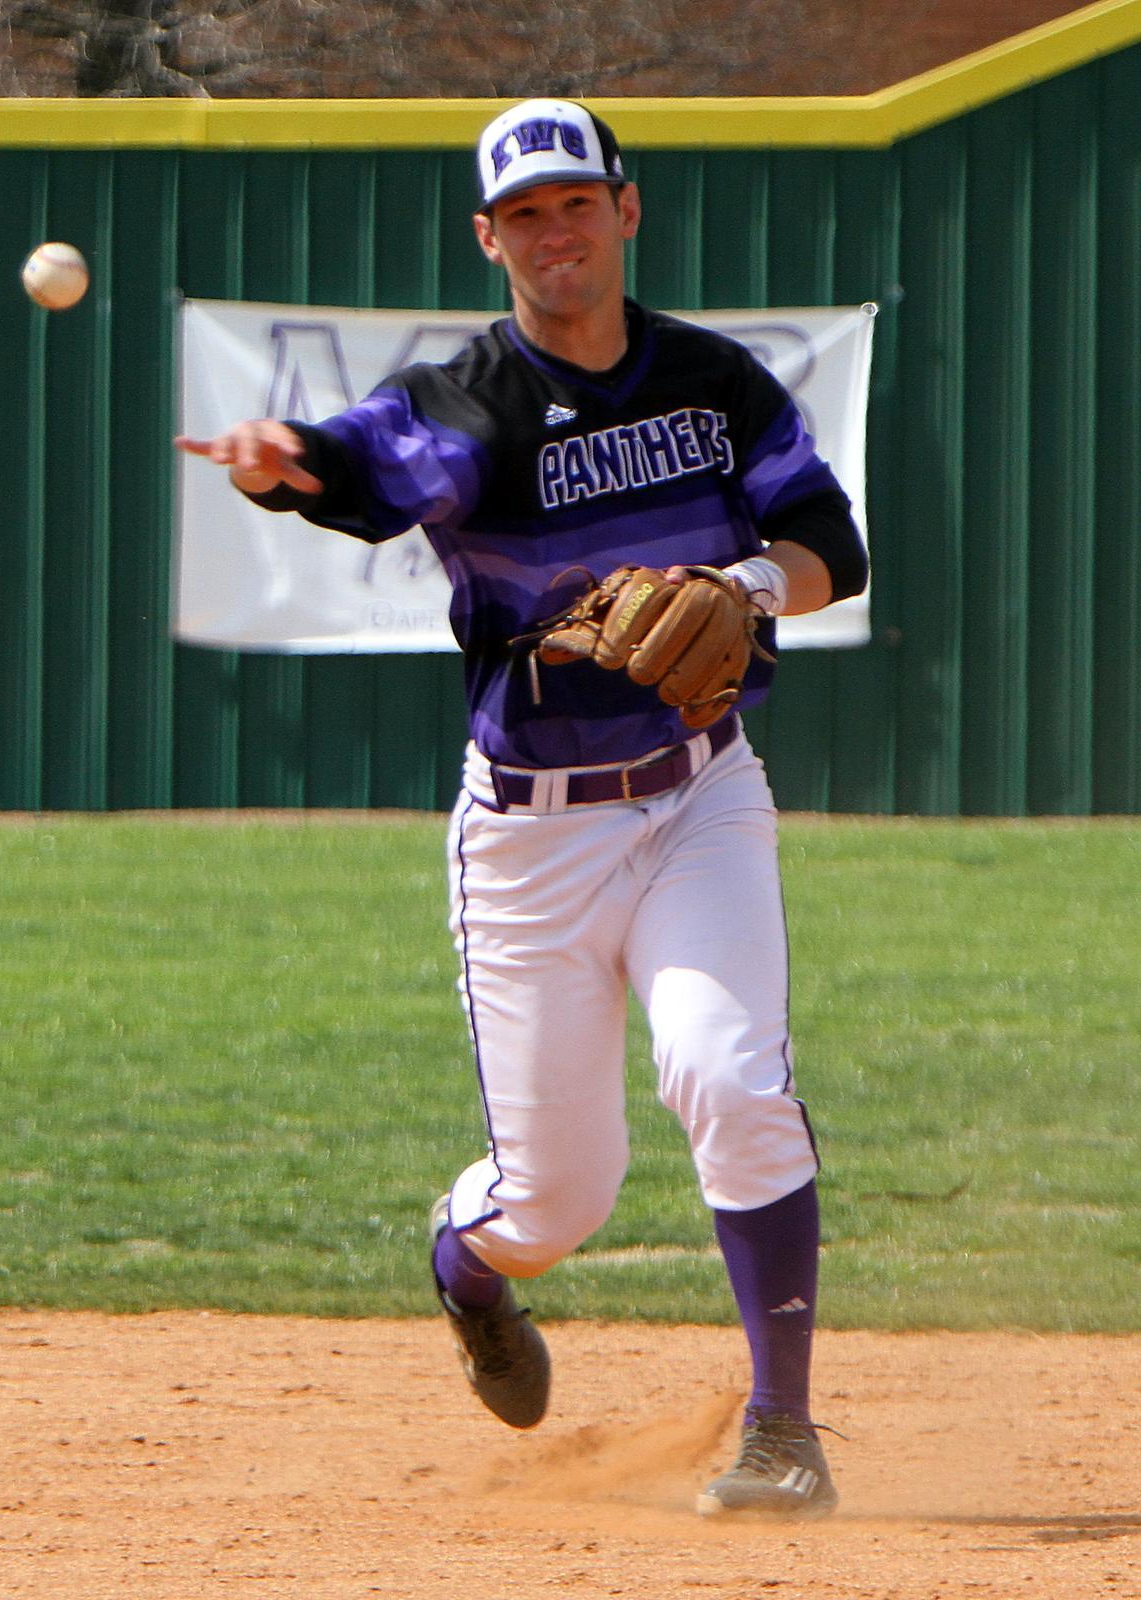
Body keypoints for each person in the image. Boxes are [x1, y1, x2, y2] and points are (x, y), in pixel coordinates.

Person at [177, 97, 868, 1518]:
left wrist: (742, 586)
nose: (555, 233)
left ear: (625, 211)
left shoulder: (714, 385)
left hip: (697, 798)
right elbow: (359, 462)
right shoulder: (467, 403)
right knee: (556, 1201)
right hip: (531, 837)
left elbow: (825, 546)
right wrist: (282, 459)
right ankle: (469, 1265)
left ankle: (782, 1429)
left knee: (732, 1080)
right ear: (488, 239)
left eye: (577, 203)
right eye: (524, 215)